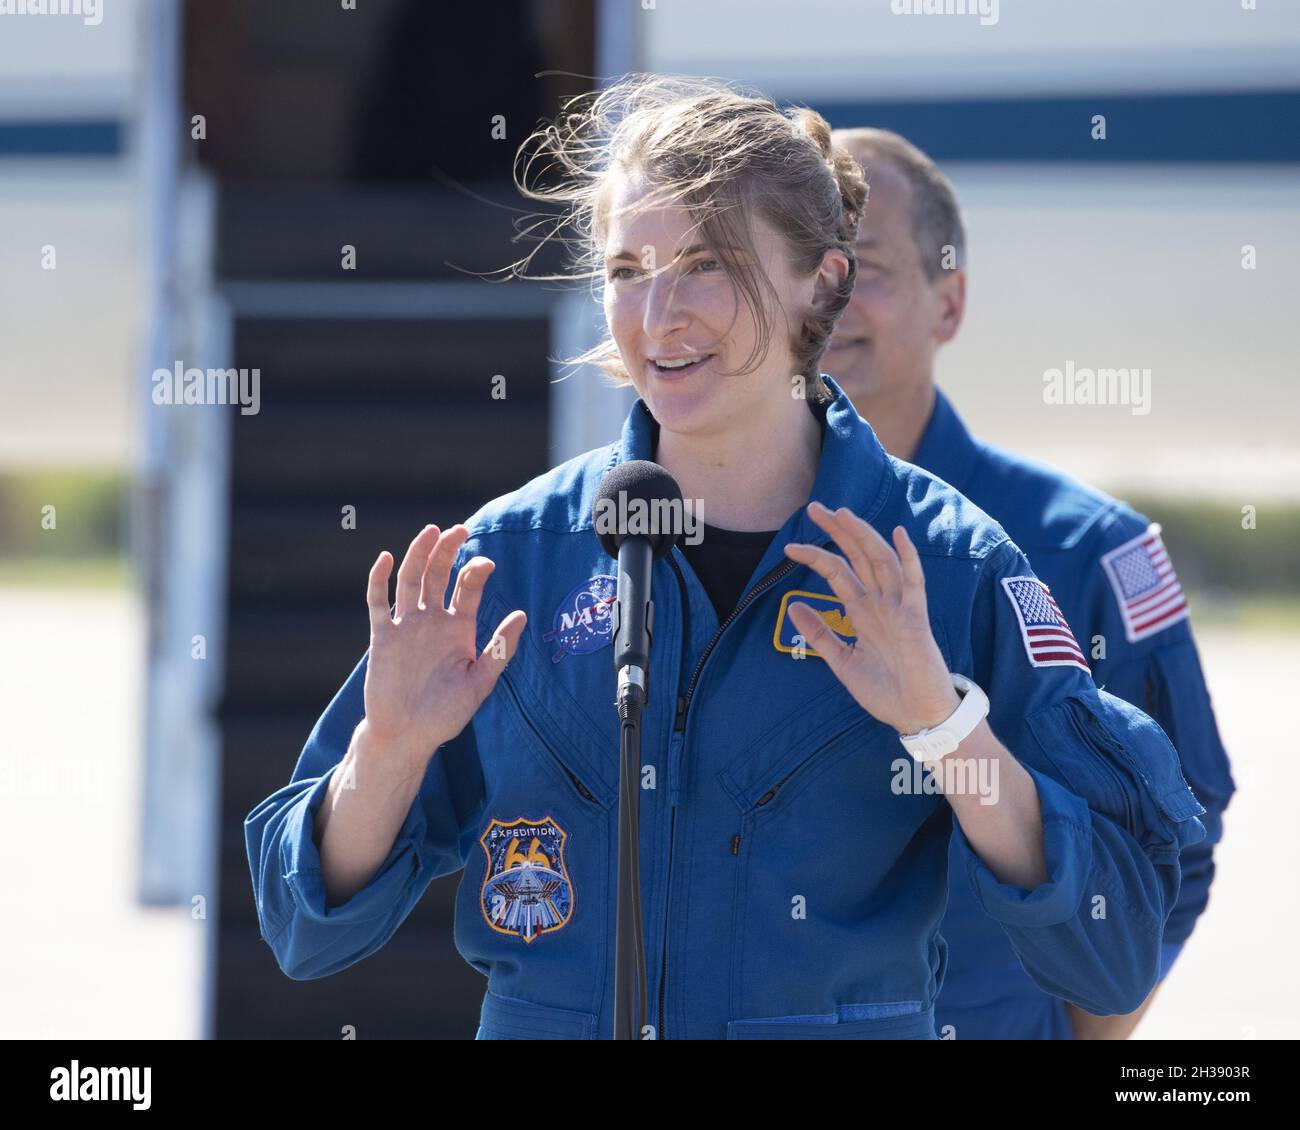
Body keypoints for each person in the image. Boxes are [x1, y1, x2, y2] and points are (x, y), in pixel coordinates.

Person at [245, 76, 1205, 1040]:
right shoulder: (512, 563)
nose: (658, 315)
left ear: (820, 282)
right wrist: (393, 749)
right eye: (626, 270)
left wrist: (943, 727)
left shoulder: (946, 569)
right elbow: (302, 930)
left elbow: (1111, 952)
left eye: (706, 264)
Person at [826, 127, 1235, 1040]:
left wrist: (1094, 1032)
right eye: (811, 272)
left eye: (869, 268)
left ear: (949, 304)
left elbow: (1183, 827)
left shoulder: (1091, 549)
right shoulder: (718, 531)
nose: (833, 300)